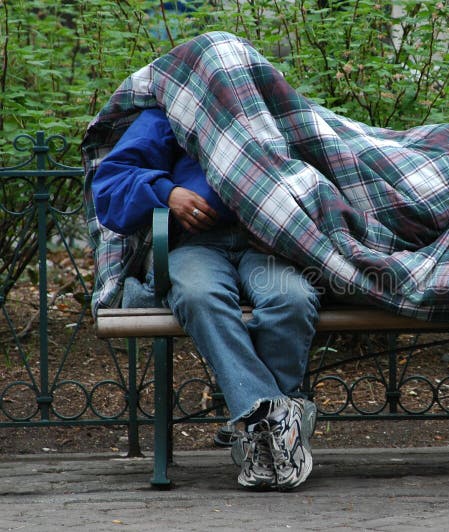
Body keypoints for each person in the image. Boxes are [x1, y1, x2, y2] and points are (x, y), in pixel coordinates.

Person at [91, 107, 321, 491]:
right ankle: (276, 424)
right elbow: (112, 181)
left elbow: (317, 172)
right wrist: (168, 192)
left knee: (292, 298)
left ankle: (262, 435)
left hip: (265, 243)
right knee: (199, 296)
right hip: (193, 246)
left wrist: (284, 220)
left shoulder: (269, 109)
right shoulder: (167, 116)